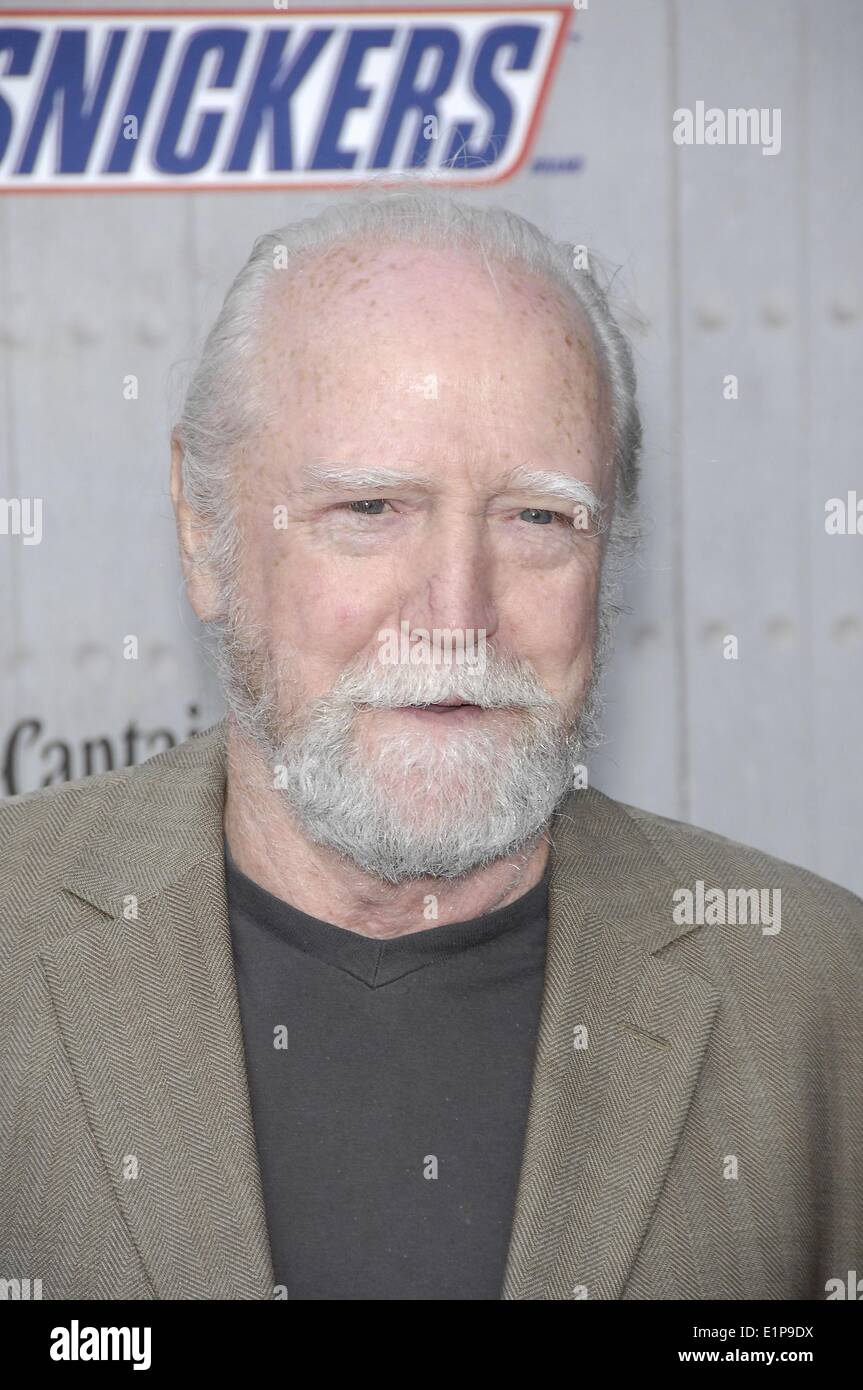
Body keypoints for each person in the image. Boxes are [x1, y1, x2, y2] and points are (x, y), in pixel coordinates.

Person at [1, 189, 861, 1300]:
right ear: (201, 528)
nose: (457, 614)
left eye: (537, 519)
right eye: (369, 508)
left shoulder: (817, 997)